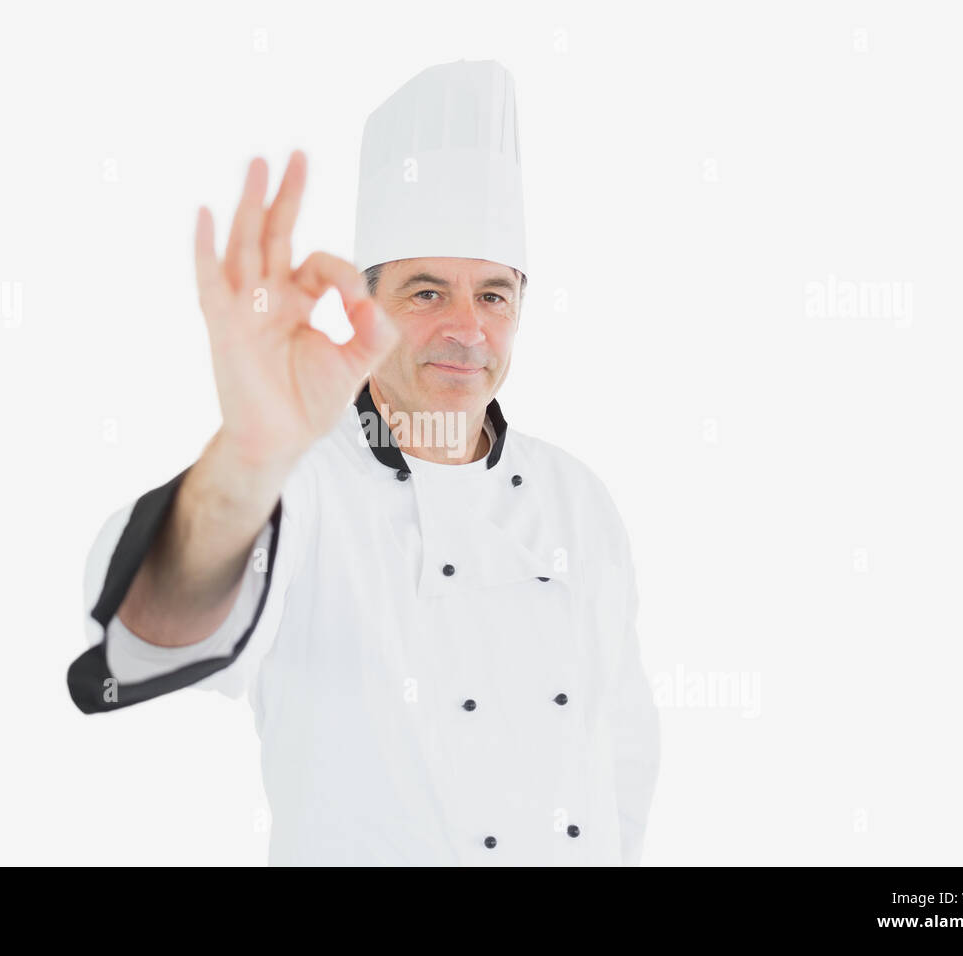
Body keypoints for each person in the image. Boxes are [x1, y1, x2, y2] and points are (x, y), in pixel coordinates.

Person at [67, 59, 661, 866]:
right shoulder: (302, 485)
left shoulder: (580, 501)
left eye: (493, 294)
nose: (466, 329)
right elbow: (152, 630)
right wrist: (248, 457)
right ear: (366, 306)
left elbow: (623, 756)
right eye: (426, 293)